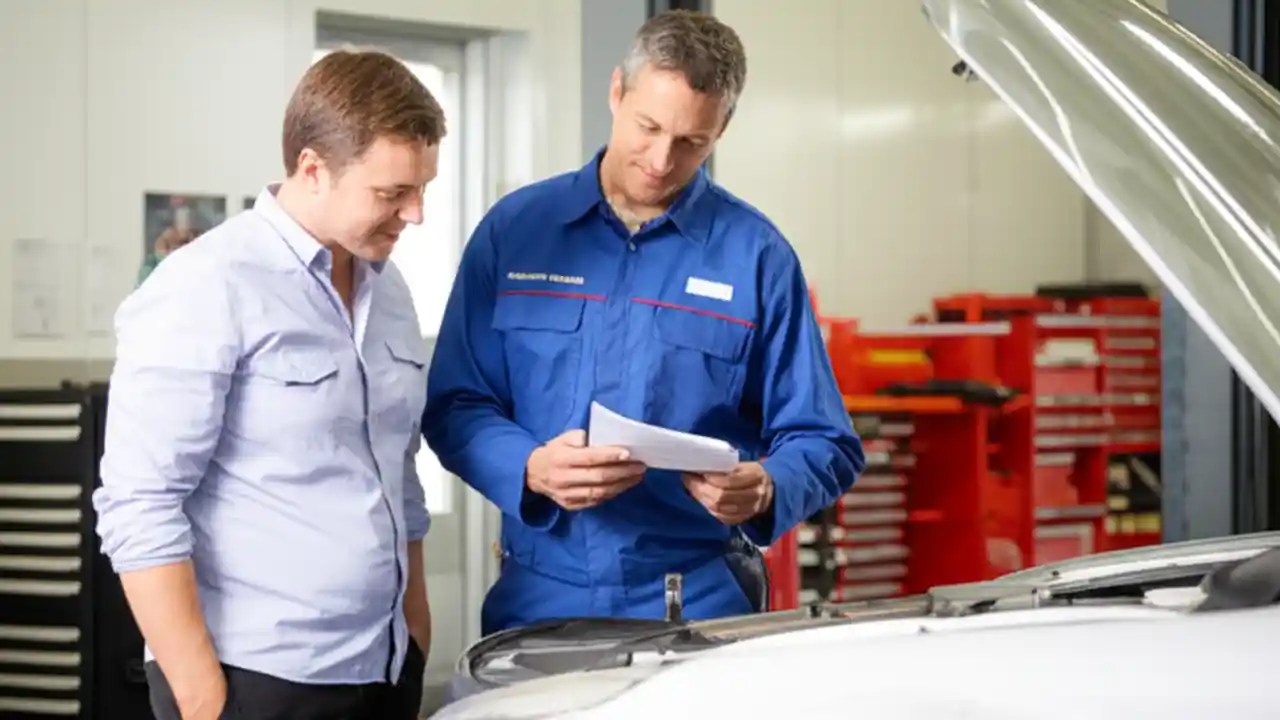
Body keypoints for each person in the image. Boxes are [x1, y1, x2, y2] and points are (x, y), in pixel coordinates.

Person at [422, 9, 865, 636]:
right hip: (541, 594)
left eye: (692, 142)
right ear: (616, 93)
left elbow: (827, 442)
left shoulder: (757, 256)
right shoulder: (517, 233)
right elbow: (455, 404)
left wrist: (766, 486)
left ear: (721, 130)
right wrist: (527, 466)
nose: (661, 159)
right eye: (648, 126)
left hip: (699, 597)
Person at [93, 49, 444, 720]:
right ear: (312, 169)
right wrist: (201, 697)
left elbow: (397, 472)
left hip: (384, 666)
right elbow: (139, 505)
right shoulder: (206, 284)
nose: (416, 213)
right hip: (252, 682)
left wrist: (416, 627)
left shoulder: (389, 289)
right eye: (392, 192)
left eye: (423, 188)